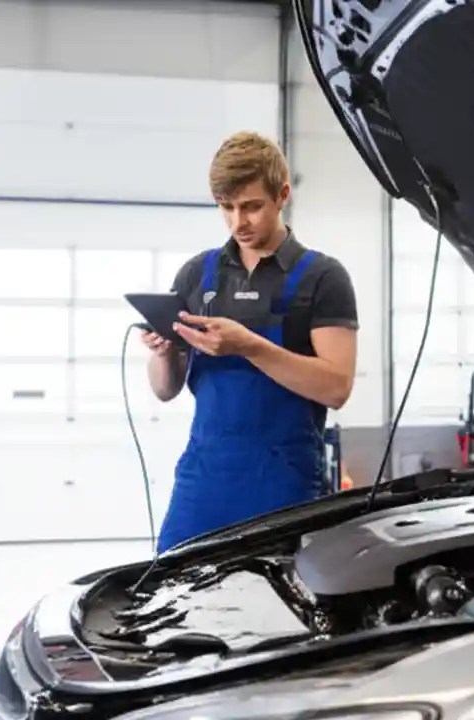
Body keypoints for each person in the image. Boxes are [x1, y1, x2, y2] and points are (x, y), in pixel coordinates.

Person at [142, 131, 358, 553]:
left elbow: (337, 388)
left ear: (282, 195)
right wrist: (165, 354)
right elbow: (165, 390)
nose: (238, 222)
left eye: (251, 207)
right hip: (202, 482)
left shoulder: (322, 278)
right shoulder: (196, 275)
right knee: (173, 600)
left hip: (282, 487)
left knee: (277, 611)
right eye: (226, 208)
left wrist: (249, 346)